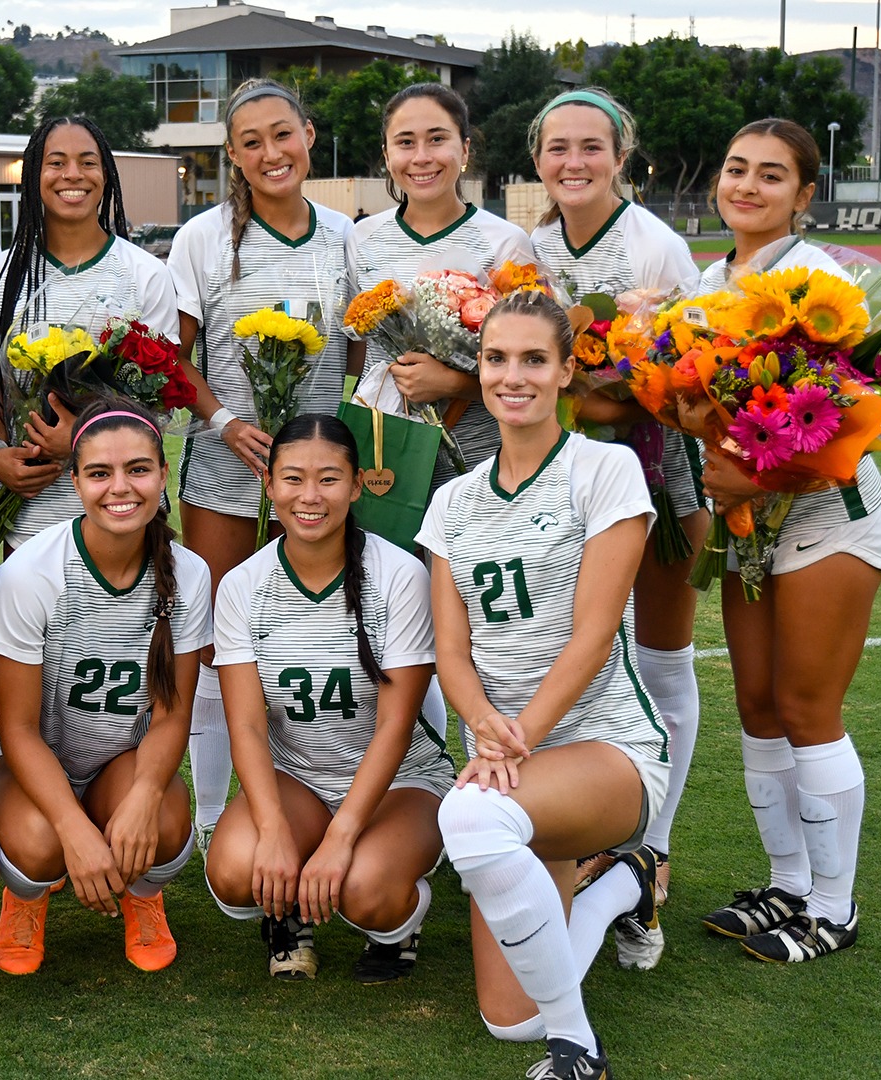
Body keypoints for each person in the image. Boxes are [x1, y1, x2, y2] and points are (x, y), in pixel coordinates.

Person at [426, 289, 668, 1078]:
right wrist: (488, 729)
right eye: (497, 359)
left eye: (534, 359)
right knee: (508, 1021)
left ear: (568, 371)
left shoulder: (606, 469)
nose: (513, 376)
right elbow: (451, 654)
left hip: (603, 751)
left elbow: (595, 637)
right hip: (511, 764)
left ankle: (580, 1050)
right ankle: (622, 888)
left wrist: (516, 735)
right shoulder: (452, 502)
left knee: (468, 817)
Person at [694, 118, 881, 964]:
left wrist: (756, 479)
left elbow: (855, 424)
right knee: (759, 706)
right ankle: (788, 884)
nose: (747, 185)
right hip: (749, 527)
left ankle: (834, 909)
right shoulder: (710, 276)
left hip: (826, 518)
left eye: (771, 176)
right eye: (737, 168)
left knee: (809, 710)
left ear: (804, 195)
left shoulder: (819, 280)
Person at [165, 78, 360, 850]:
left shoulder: (349, 237)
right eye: (251, 142)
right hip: (224, 468)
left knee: (330, 637)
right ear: (233, 156)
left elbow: (367, 352)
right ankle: (215, 818)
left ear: (309, 135)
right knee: (218, 644)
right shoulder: (202, 239)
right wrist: (223, 419)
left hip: (319, 478)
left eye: (283, 134)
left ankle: (341, 792)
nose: (271, 152)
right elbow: (175, 359)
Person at [528, 87, 704, 912]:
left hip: (658, 478)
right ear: (537, 161)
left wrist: (612, 394)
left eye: (590, 147)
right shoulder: (530, 249)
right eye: (557, 148)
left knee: (661, 662)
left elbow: (692, 377)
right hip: (563, 484)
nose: (574, 162)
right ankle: (580, 835)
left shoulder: (657, 247)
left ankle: (653, 845)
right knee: (580, 653)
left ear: (621, 157)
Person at [203, 414, 453, 984]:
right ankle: (287, 911)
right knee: (236, 869)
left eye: (328, 479)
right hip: (301, 777)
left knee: (365, 891)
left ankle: (399, 920)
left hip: (400, 780)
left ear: (358, 484)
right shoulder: (244, 584)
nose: (309, 497)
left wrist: (341, 839)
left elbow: (396, 724)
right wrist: (271, 830)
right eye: (292, 479)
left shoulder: (398, 575)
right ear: (269, 485)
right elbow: (245, 725)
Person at [0, 401, 212, 975]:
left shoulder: (189, 573)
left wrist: (146, 795)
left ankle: (143, 895)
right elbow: (18, 728)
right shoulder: (30, 573)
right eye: (99, 473)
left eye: (138, 469)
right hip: (23, 759)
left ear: (163, 474)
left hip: (118, 759)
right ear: (75, 480)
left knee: (166, 823)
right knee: (39, 843)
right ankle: (25, 898)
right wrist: (74, 830)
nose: (119, 488)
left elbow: (172, 714)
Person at [0, 116, 178, 556]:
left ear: (106, 176)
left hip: (127, 510)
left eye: (88, 162)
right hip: (31, 515)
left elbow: (162, 398)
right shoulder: (0, 275)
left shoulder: (146, 273)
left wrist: (85, 438)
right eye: (56, 162)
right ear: (33, 175)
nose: (72, 175)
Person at [355, 82, 537, 487]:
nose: (422, 157)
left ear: (465, 150)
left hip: (481, 461)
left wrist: (455, 383)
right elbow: (359, 354)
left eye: (437, 139)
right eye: (405, 142)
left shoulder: (505, 243)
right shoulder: (361, 239)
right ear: (387, 155)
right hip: (386, 460)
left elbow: (532, 366)